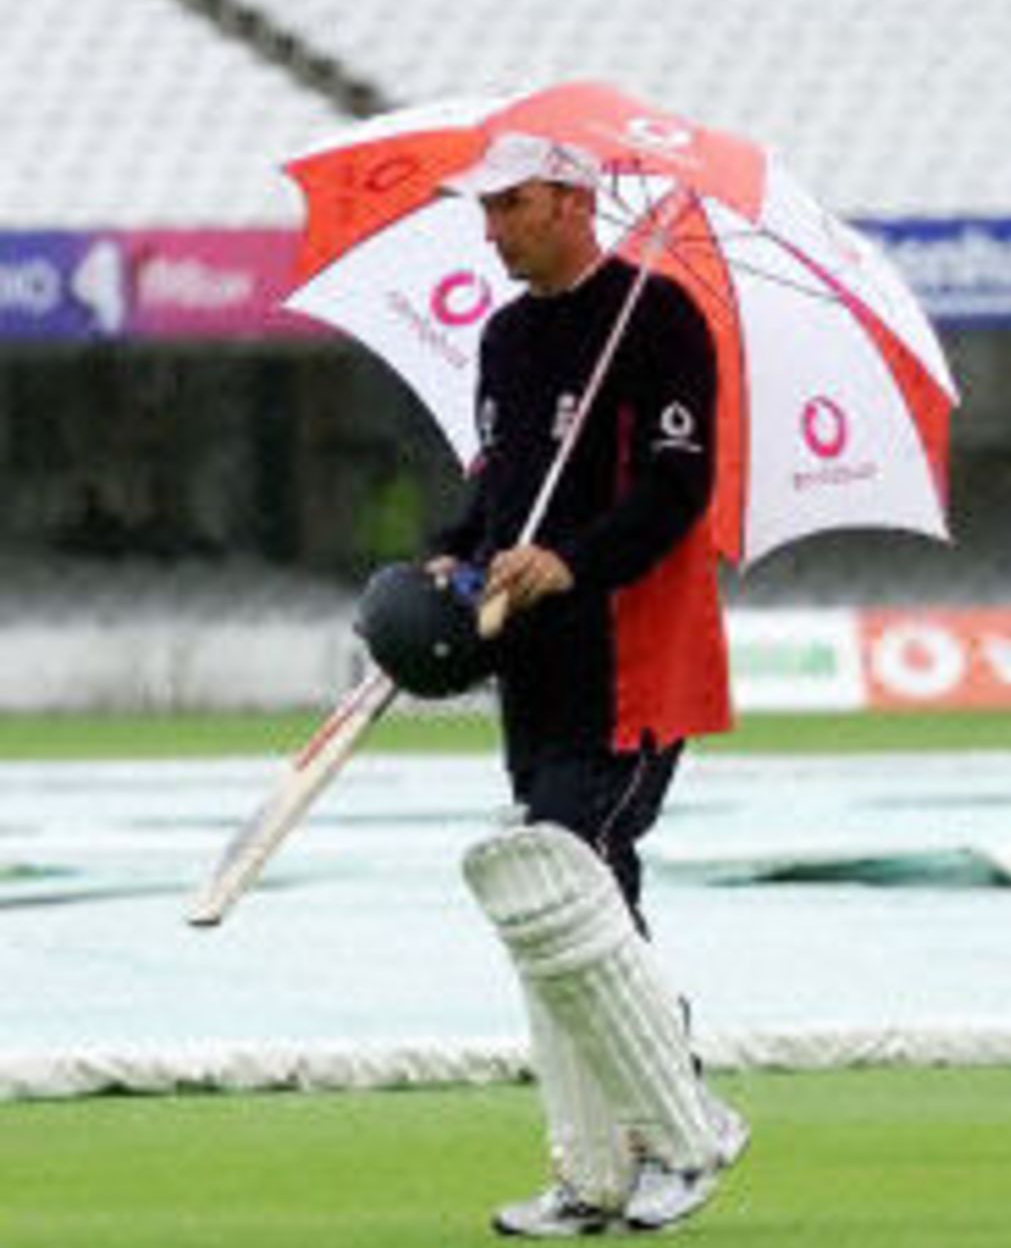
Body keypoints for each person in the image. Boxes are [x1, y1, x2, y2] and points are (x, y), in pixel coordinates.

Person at [417, 136, 746, 1238]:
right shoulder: (506, 336)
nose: (489, 229)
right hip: (533, 664)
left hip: (631, 654)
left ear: (571, 200)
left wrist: (571, 562)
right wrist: (451, 556)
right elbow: (497, 488)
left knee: (571, 873)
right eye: (483, 208)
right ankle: (597, 1168)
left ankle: (687, 1127)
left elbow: (676, 489)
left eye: (508, 204)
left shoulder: (658, 317)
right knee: (553, 894)